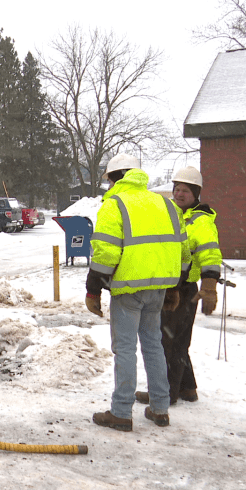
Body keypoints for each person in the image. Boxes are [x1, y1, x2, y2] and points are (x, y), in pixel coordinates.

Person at [84, 153, 188, 431]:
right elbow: (182, 250)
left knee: (126, 349)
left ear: (114, 178)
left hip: (129, 289)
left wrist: (93, 290)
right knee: (153, 345)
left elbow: (105, 252)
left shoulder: (115, 204)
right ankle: (160, 408)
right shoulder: (164, 204)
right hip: (159, 288)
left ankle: (120, 412)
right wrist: (175, 287)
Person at [135, 166, 222, 406]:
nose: (180, 194)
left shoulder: (200, 220)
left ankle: (164, 394)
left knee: (168, 342)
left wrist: (210, 283)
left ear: (196, 194)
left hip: (182, 290)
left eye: (186, 190)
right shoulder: (173, 214)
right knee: (179, 341)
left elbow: (210, 252)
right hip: (174, 287)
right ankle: (188, 388)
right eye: (177, 189)